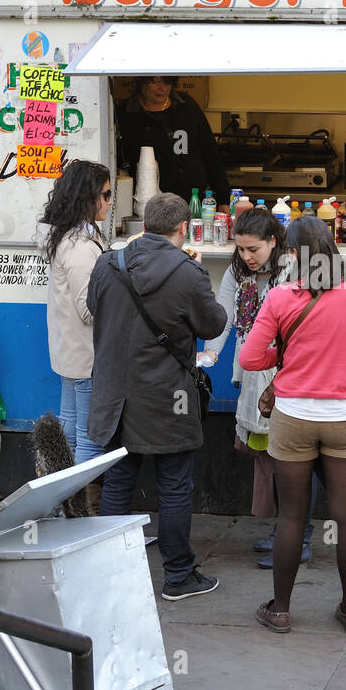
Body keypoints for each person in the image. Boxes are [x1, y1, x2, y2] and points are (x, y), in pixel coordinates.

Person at [240, 217, 346, 635]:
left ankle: (282, 610)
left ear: (291, 254)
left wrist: (288, 358)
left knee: (292, 516)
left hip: (293, 419)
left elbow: (251, 359)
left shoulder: (279, 297)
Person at [87, 191, 228, 601]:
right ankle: (179, 577)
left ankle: (107, 574)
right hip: (167, 399)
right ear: (183, 228)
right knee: (173, 488)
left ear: (144, 225)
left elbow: (96, 310)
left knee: (117, 483)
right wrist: (199, 278)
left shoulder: (107, 263)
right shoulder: (188, 273)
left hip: (114, 396)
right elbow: (213, 324)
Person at [199, 208, 317, 569]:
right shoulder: (238, 272)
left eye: (254, 250)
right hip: (253, 375)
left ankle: (302, 537)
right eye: (241, 250)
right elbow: (224, 316)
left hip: (289, 377)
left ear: (273, 242)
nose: (247, 257)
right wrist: (212, 352)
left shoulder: (294, 272)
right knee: (271, 455)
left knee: (293, 458)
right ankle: (287, 529)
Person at [39, 159, 111, 466]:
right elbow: (87, 309)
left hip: (71, 354)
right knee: (89, 440)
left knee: (68, 432)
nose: (109, 202)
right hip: (87, 357)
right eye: (106, 195)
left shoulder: (67, 236)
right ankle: (79, 505)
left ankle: (63, 500)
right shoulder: (81, 246)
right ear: (89, 198)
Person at [115, 75, 230, 204]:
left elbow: (210, 153)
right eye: (154, 82)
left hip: (193, 200)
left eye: (167, 82)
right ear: (141, 82)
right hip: (150, 204)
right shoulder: (126, 114)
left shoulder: (187, 105)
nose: (162, 88)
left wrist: (223, 197)